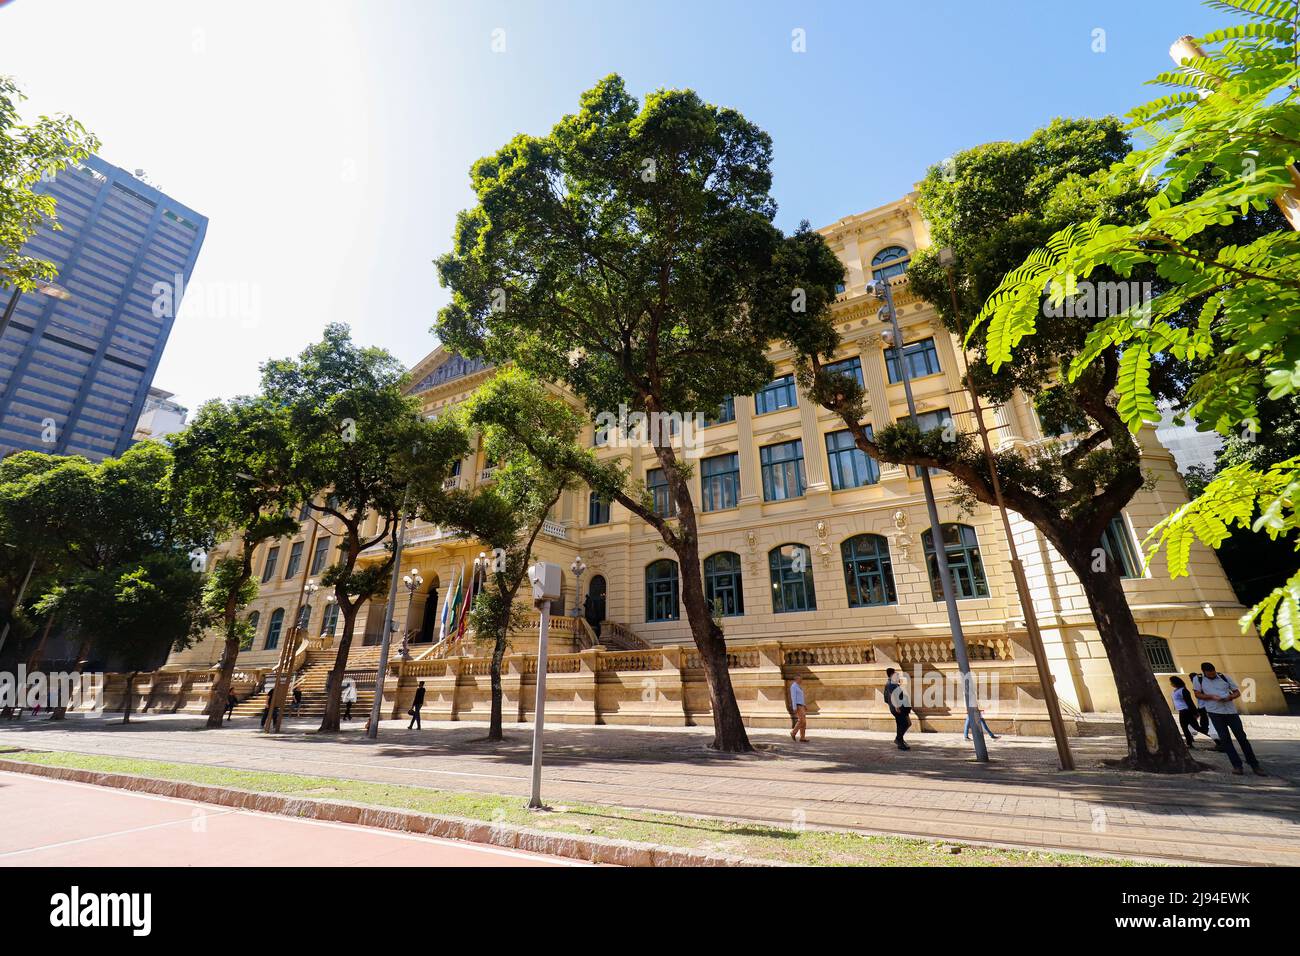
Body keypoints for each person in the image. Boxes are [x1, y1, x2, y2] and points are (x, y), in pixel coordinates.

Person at [1194, 662, 1266, 776]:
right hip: (1215, 712)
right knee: (1225, 740)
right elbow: (1197, 694)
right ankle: (1237, 766)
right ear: (1204, 672)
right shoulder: (1198, 680)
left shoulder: (1224, 677)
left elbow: (1237, 692)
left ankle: (1254, 765)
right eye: (1209, 674)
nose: (1212, 676)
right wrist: (1211, 697)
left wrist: (1230, 697)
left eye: (1213, 674)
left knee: (1242, 738)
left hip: (1230, 711)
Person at [1169, 676, 1208, 748]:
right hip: (1182, 712)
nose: (1171, 684)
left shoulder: (1183, 690)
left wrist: (1195, 713)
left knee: (1196, 727)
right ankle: (1189, 743)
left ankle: (1216, 738)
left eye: (1171, 682)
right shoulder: (1176, 690)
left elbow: (1189, 702)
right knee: (1184, 727)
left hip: (1186, 711)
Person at [883, 667, 911, 751]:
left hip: (899, 707)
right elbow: (892, 695)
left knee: (903, 724)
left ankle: (900, 740)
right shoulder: (891, 684)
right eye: (896, 674)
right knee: (905, 723)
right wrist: (896, 706)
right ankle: (899, 740)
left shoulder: (892, 683)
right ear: (892, 674)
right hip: (898, 708)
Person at [788, 674, 808, 743]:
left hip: (801, 705)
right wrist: (794, 707)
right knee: (801, 720)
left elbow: (801, 697)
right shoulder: (793, 687)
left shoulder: (799, 686)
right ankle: (793, 732)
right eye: (800, 679)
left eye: (801, 679)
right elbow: (793, 697)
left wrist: (804, 705)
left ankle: (802, 737)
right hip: (798, 705)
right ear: (796, 679)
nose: (801, 680)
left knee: (804, 722)